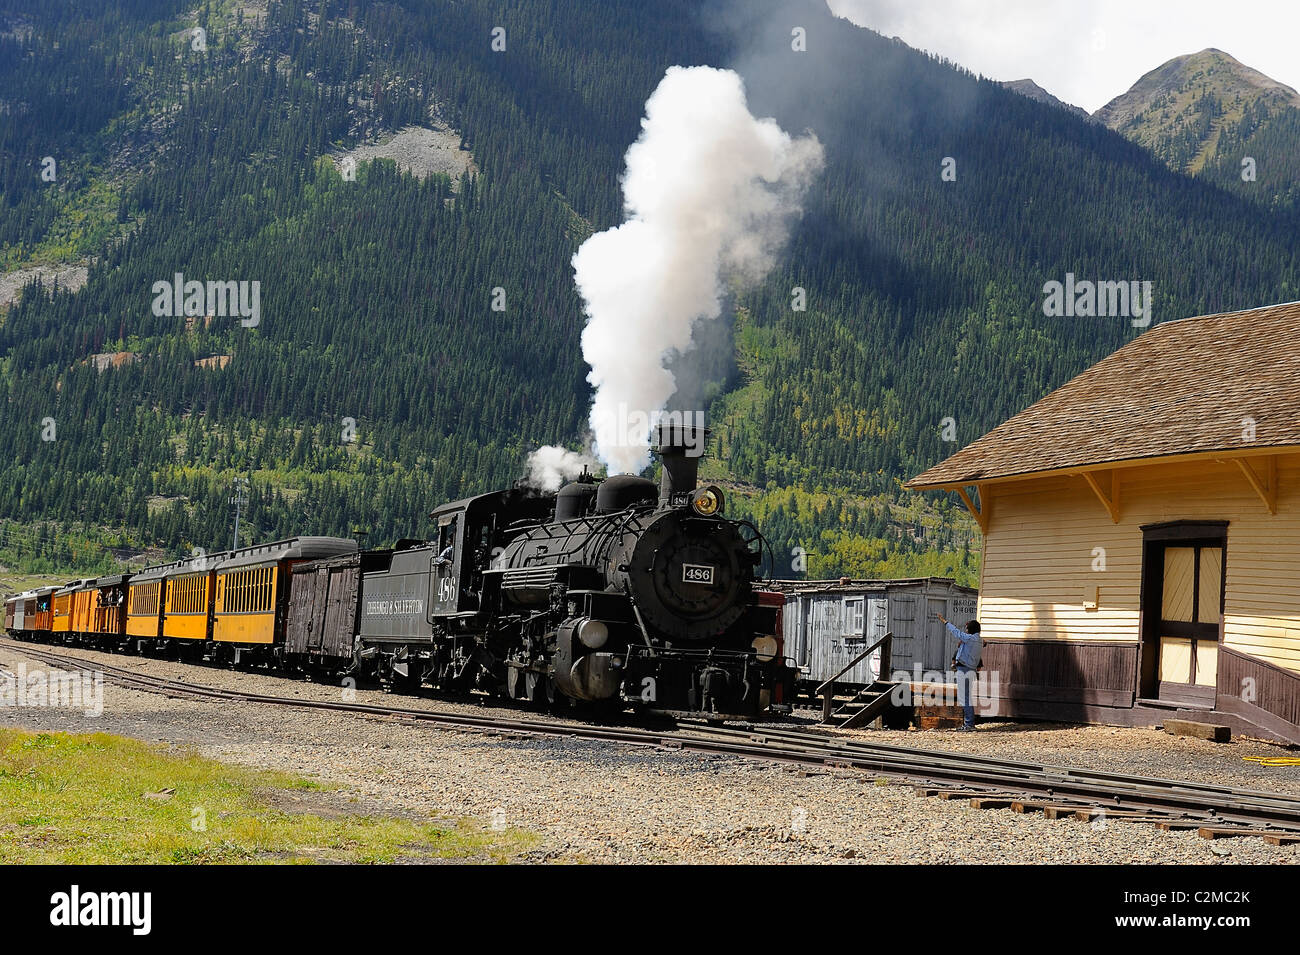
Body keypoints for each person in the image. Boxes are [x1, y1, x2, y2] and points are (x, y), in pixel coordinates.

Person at [939, 612, 982, 731]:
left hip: (964, 668)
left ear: (971, 630)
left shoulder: (969, 638)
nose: (966, 631)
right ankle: (969, 723)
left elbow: (956, 632)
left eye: (967, 629)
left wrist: (945, 622)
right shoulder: (979, 640)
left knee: (964, 698)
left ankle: (969, 724)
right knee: (967, 697)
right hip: (971, 670)